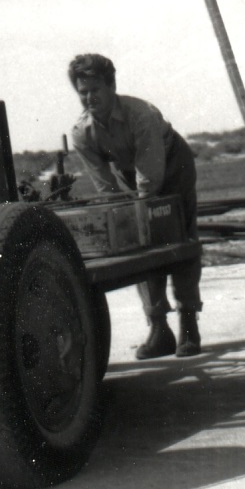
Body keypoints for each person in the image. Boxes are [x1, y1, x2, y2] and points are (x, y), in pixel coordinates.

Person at [68, 52, 203, 359]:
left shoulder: (139, 113)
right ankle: (158, 328)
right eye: (83, 92)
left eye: (95, 91)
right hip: (132, 173)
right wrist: (120, 213)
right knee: (137, 244)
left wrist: (141, 207)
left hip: (172, 166)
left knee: (180, 241)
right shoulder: (82, 133)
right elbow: (105, 185)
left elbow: (151, 174)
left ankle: (189, 324)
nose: (89, 98)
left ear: (111, 87)